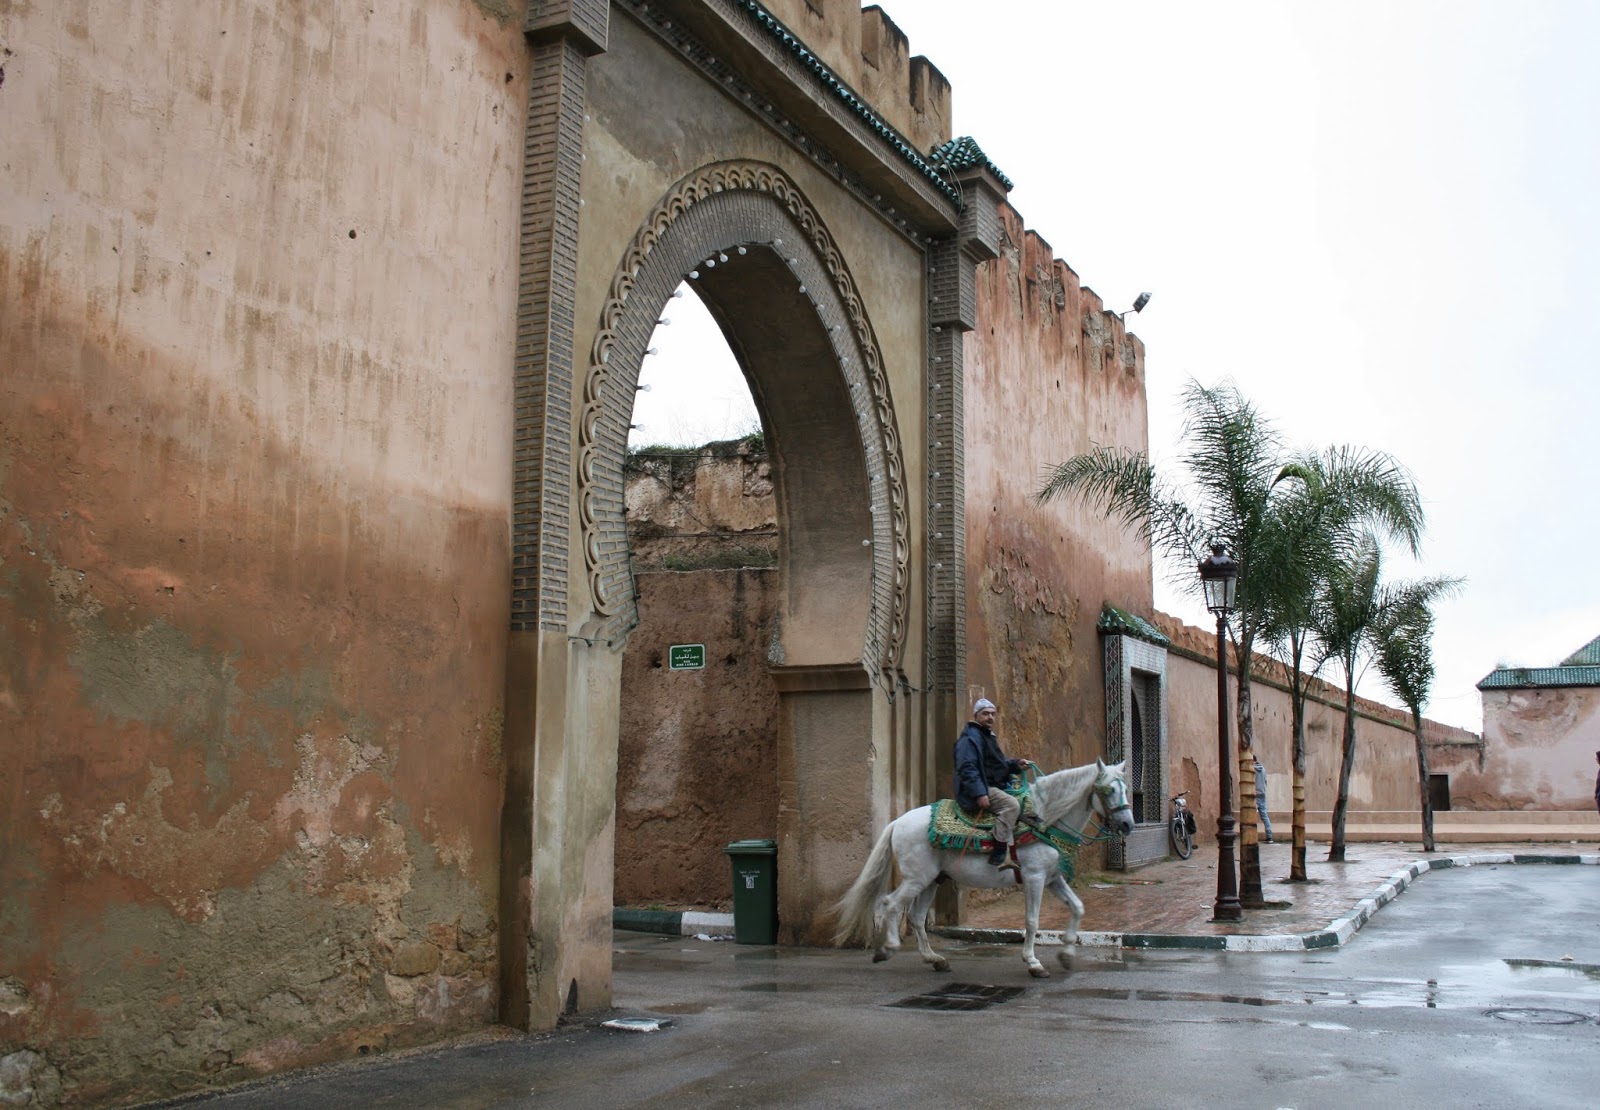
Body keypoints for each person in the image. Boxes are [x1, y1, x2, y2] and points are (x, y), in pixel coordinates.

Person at [953, 698, 1025, 867]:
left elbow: (995, 765)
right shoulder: (970, 738)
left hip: (990, 784)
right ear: (976, 715)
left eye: (993, 714)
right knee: (1011, 805)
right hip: (977, 789)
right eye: (985, 714)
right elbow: (967, 768)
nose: (990, 717)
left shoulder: (985, 735)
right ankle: (999, 849)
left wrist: (1015, 765)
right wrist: (980, 793)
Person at [1254, 756, 1274, 842]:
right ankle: (1269, 836)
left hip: (1254, 794)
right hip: (1262, 794)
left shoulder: (1251, 769)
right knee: (1264, 816)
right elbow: (1265, 782)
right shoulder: (1263, 769)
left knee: (1251, 815)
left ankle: (1251, 835)